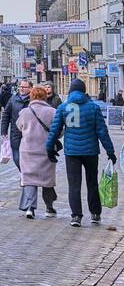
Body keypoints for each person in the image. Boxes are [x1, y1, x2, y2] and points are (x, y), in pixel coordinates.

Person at [47, 77, 117, 228]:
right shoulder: (93, 108)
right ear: (85, 91)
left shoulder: (63, 108)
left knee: (74, 184)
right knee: (92, 182)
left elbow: (54, 130)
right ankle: (95, 213)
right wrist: (110, 152)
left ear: (70, 90)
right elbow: (102, 132)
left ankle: (76, 216)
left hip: (72, 152)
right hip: (90, 151)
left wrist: (49, 148)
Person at [16, 84, 58, 219]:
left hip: (27, 151)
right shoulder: (52, 112)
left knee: (29, 179)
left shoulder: (24, 112)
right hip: (46, 151)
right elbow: (59, 130)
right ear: (45, 97)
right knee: (47, 180)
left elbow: (19, 126)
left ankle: (30, 208)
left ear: (31, 96)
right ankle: (49, 208)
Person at [0, 79, 31, 172]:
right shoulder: (13, 99)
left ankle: (26, 176)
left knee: (27, 157)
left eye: (24, 87)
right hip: (15, 133)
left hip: (29, 133)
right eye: (21, 86)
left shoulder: (33, 100)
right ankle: (24, 173)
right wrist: (3, 131)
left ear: (29, 88)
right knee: (16, 158)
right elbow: (6, 115)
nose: (22, 89)